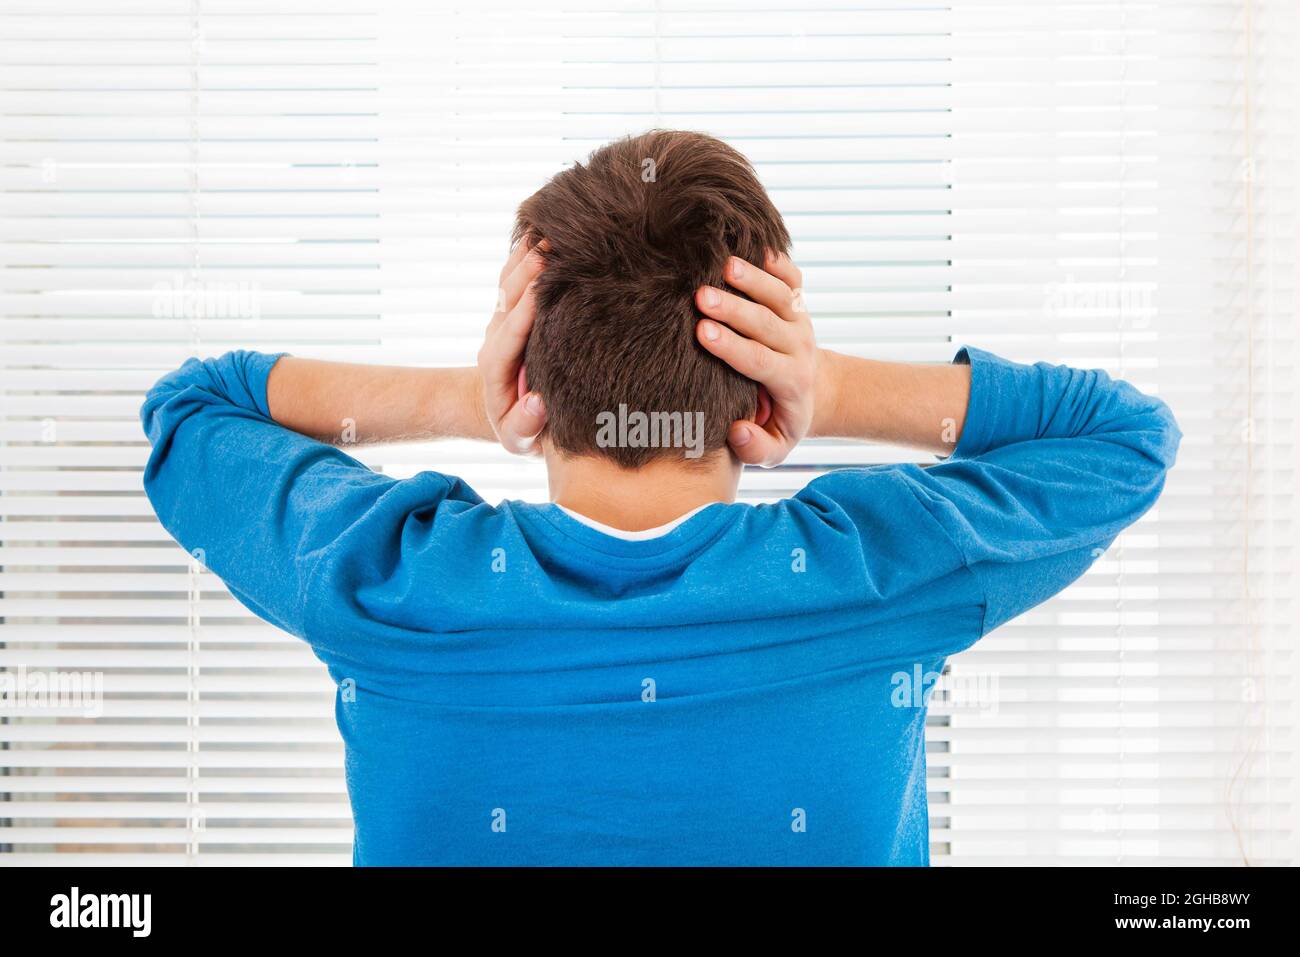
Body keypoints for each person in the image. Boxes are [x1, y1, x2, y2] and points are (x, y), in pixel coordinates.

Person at [141, 131, 1181, 865]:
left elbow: (194, 408)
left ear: (534, 376)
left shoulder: (382, 581)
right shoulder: (875, 573)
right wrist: (824, 388)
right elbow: (1125, 439)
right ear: (754, 380)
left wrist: (476, 397)